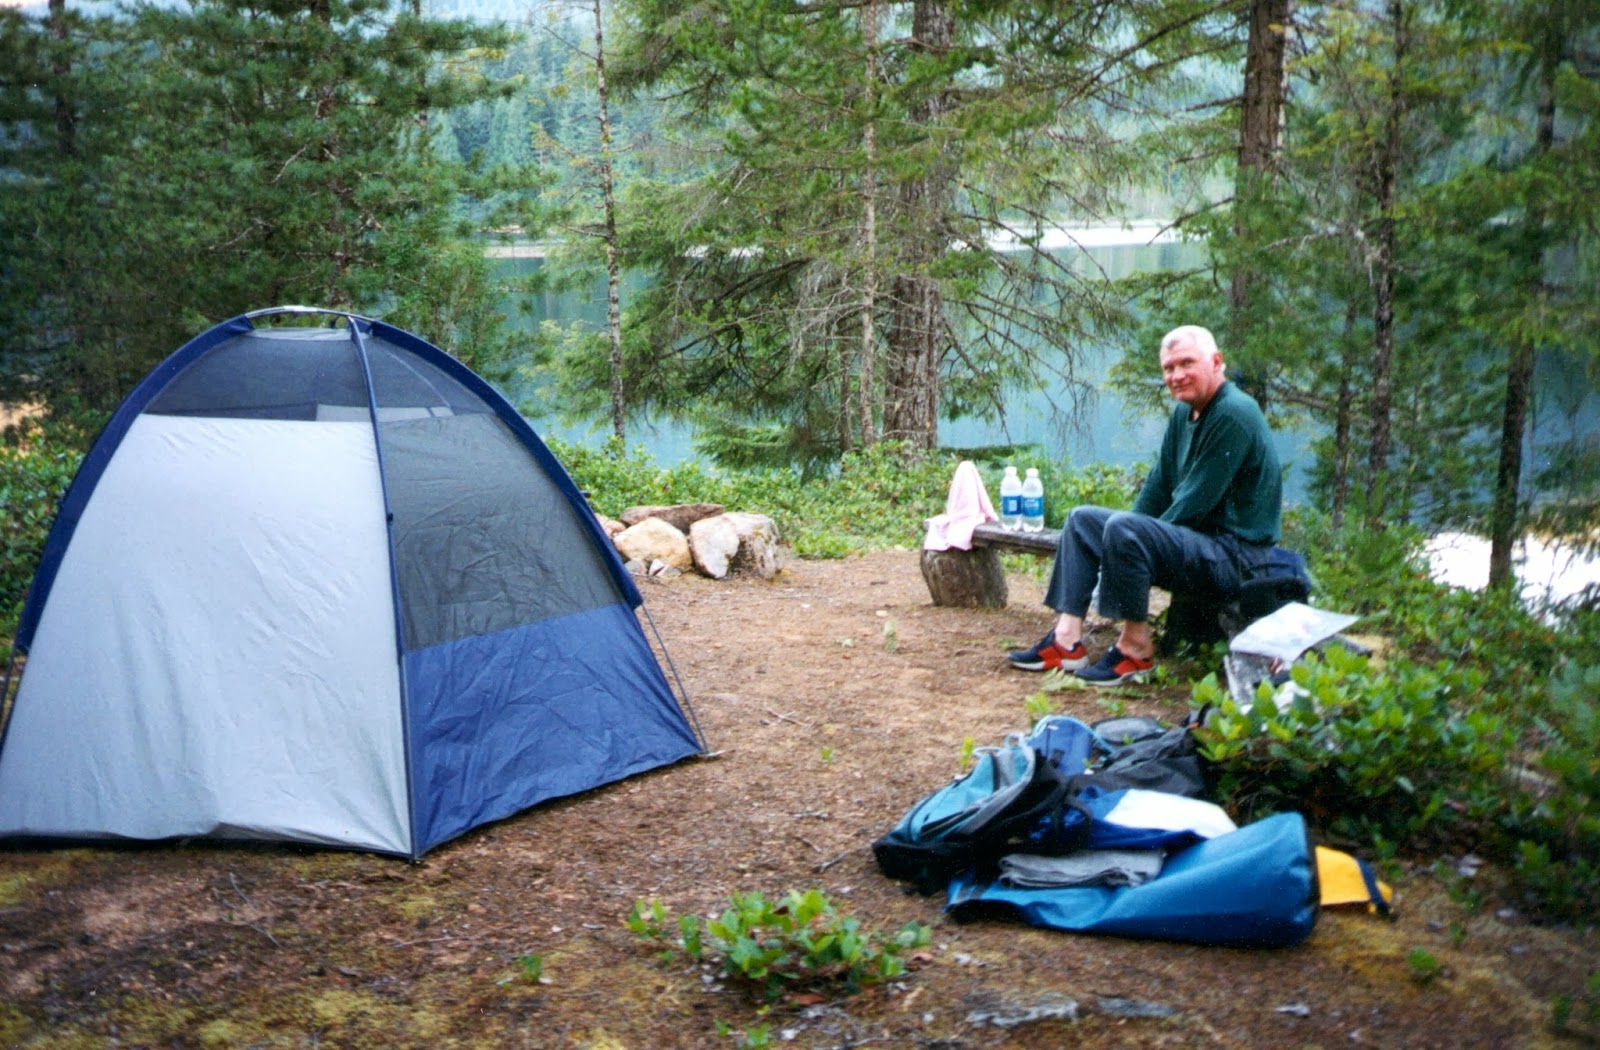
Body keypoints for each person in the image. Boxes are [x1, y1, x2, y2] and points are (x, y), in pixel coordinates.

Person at [1008, 324, 1282, 685]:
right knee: (1082, 521)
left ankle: (1135, 650)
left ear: (1216, 362)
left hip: (1239, 557)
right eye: (1169, 368)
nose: (1177, 375)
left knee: (1125, 529)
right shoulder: (1185, 412)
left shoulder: (1233, 413)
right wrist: (1121, 536)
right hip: (1204, 546)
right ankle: (1066, 641)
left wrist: (1130, 540)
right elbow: (1159, 485)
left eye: (1187, 363)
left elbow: (1192, 504)